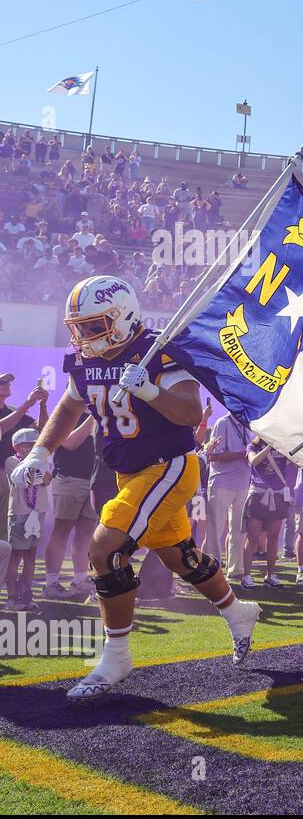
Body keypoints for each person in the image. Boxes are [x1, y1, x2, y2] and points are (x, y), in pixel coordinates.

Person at [8, 275, 260, 698]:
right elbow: (69, 407)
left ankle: (117, 655)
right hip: (130, 475)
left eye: (94, 325)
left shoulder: (158, 350)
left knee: (106, 547)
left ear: (123, 318)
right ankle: (239, 613)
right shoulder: (86, 362)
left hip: (170, 466)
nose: (86, 336)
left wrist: (149, 389)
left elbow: (188, 412)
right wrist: (41, 452)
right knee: (183, 559)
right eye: (81, 327)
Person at [42, 412, 98, 596]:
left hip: (93, 483)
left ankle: (80, 581)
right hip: (68, 479)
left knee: (85, 534)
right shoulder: (65, 415)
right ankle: (51, 583)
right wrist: (93, 416)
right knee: (61, 531)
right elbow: (70, 443)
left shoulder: (97, 416)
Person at [240, 439, 296, 588]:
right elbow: (253, 461)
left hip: (277, 495)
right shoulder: (253, 446)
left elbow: (294, 462)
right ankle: (247, 576)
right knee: (252, 537)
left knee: (273, 537)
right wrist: (269, 447)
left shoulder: (283, 446)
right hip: (258, 494)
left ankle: (270, 575)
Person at [0, 373, 48, 542]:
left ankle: (4, 565)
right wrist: (28, 403)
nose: (7, 385)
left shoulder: (13, 412)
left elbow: (40, 429)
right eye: (2, 382)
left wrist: (42, 405)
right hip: (5, 472)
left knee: (6, 527)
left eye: (8, 383)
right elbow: (2, 427)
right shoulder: (16, 413)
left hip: (11, 475)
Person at [5, 428, 49, 611]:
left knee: (31, 556)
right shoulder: (11, 461)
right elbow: (26, 480)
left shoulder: (42, 460)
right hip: (19, 513)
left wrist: (38, 471)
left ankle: (26, 596)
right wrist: (37, 472)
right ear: (17, 447)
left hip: (38, 512)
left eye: (35, 444)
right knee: (15, 557)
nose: (31, 448)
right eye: (27, 445)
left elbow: (47, 480)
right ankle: (12, 597)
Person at [204, 411, 251, 574]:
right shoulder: (222, 423)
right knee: (215, 529)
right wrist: (244, 454)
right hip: (221, 482)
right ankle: (212, 570)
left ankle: (236, 570)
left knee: (239, 530)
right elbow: (213, 455)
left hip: (243, 482)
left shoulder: (248, 424)